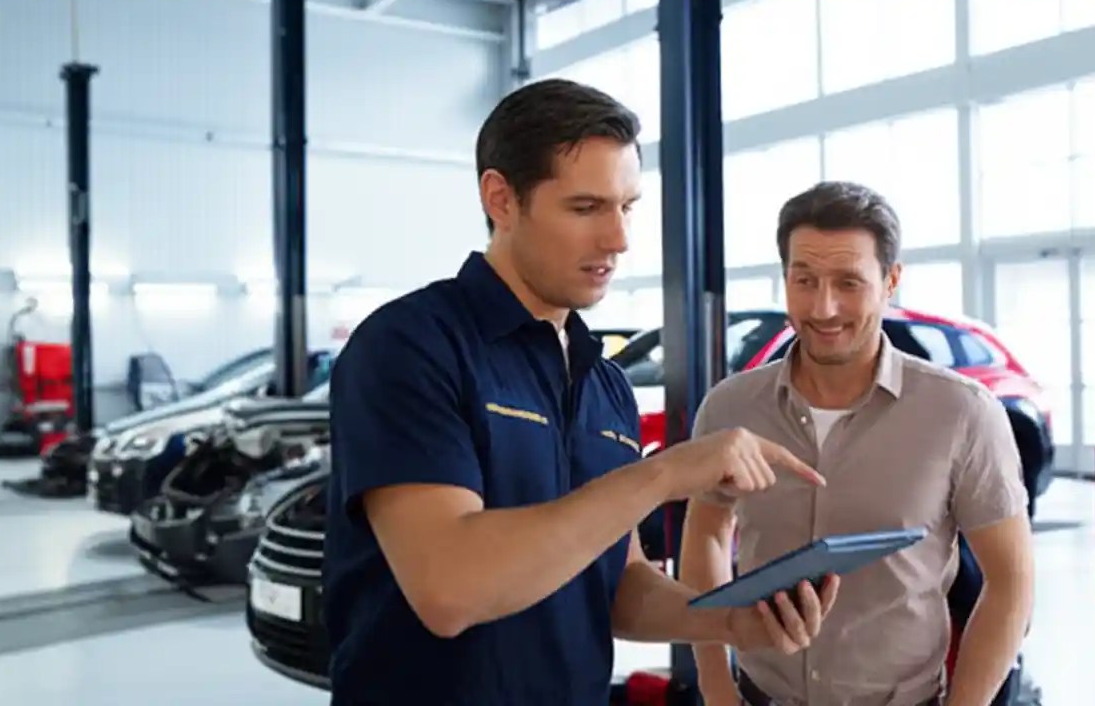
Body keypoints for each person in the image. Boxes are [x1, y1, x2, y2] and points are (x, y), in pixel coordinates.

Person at [322, 78, 841, 706]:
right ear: (501, 199)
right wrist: (661, 476)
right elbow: (449, 588)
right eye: (586, 208)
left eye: (627, 207)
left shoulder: (604, 384)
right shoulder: (412, 346)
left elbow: (617, 586)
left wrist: (731, 619)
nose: (618, 240)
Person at [679, 181, 1035, 706]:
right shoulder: (730, 408)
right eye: (805, 280)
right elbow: (707, 537)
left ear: (891, 280)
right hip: (761, 695)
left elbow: (1011, 581)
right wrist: (715, 687)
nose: (824, 308)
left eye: (848, 282)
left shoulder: (961, 413)